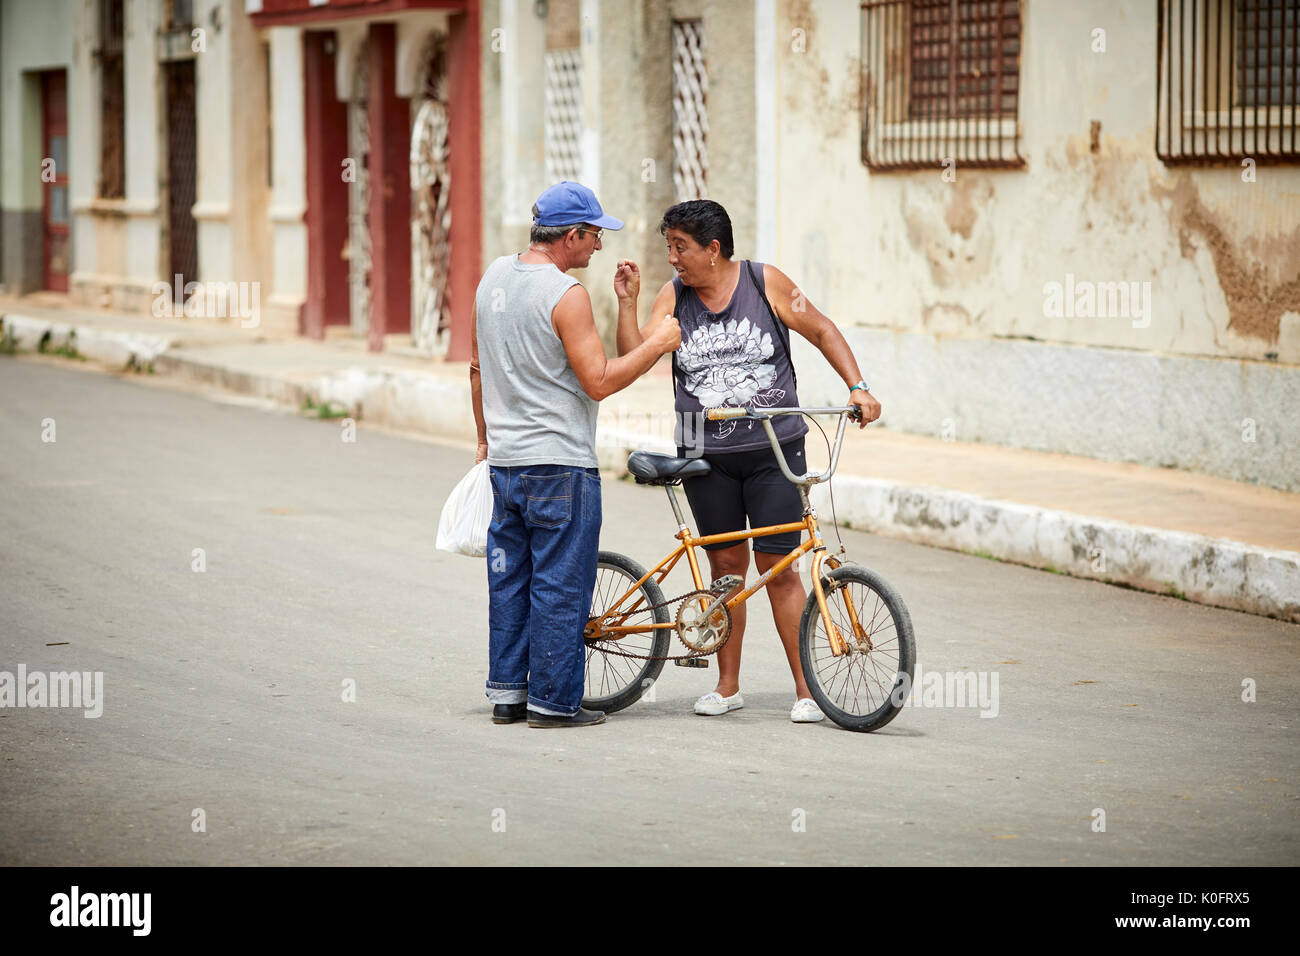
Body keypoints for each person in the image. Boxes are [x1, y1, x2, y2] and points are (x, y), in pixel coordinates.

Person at [615, 199, 881, 723]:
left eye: (680, 247)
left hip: (773, 450)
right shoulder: (674, 296)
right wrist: (628, 304)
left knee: (780, 570)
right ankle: (727, 685)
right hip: (702, 452)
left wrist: (859, 386)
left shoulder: (766, 283)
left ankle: (807, 691)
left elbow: (823, 329)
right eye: (669, 247)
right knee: (725, 570)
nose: (673, 258)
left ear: (713, 249)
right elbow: (637, 357)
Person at [470, 181, 680, 728]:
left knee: (511, 580)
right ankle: (554, 703)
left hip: (508, 463)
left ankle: (509, 694)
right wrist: (657, 346)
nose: (598, 248)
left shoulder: (493, 276)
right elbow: (599, 381)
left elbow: (477, 370)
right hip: (560, 462)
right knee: (561, 585)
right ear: (572, 234)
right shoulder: (566, 294)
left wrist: (484, 440)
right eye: (594, 237)